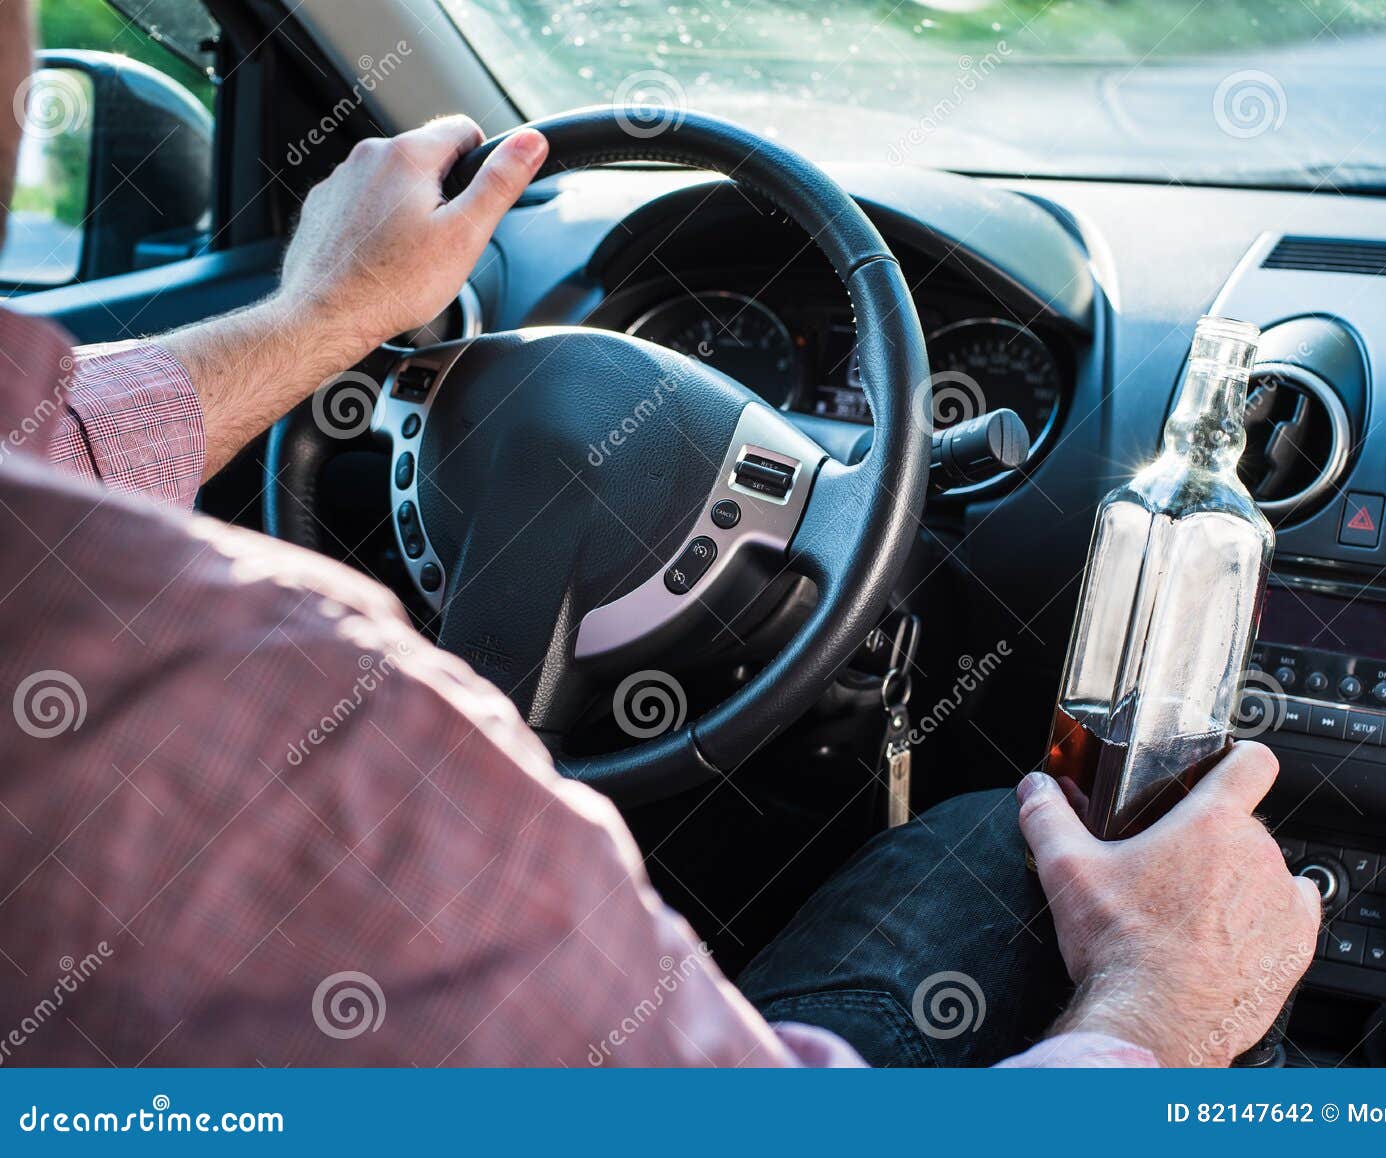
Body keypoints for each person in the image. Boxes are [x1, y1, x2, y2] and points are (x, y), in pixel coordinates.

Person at [0, 0, 1319, 1067]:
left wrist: (323, 320)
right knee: (1015, 846)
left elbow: (40, 458)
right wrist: (1156, 1016)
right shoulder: (301, 713)